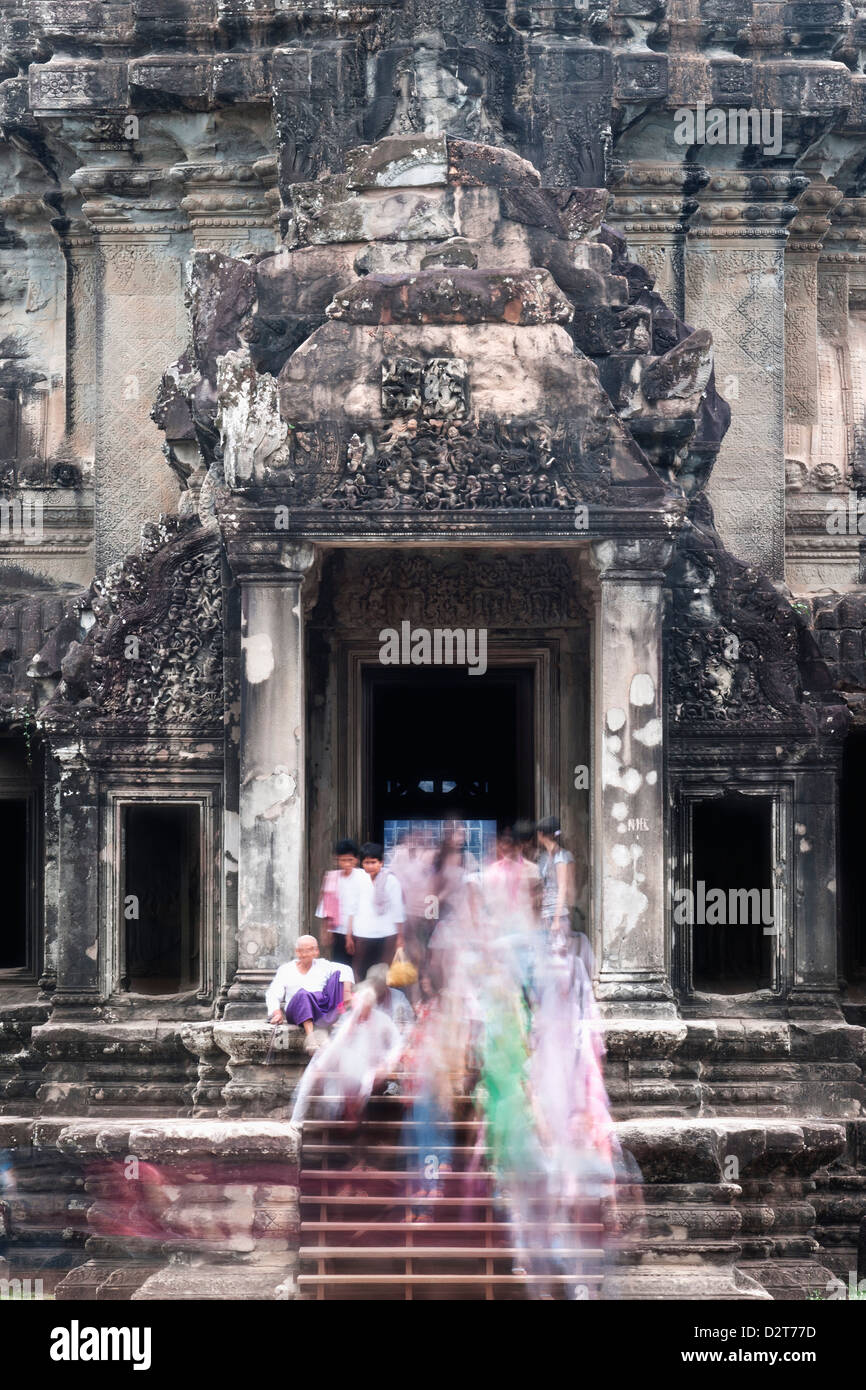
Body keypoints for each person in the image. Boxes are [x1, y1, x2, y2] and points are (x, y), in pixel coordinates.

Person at [266, 935, 354, 1054]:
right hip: (295, 1011)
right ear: (297, 952)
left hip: (318, 1009)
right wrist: (276, 1012)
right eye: (303, 950)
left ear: (316, 951)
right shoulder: (286, 969)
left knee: (337, 976)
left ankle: (336, 1019)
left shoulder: (323, 965)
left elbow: (346, 969)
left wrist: (347, 993)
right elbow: (273, 993)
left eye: (311, 949)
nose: (307, 953)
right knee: (303, 994)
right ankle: (311, 1038)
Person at [350, 842, 405, 978]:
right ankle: (359, 996)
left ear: (381, 862)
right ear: (361, 863)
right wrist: (348, 935)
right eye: (366, 862)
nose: (370, 866)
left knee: (384, 969)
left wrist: (400, 937)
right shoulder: (358, 879)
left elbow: (398, 910)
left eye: (373, 862)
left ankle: (381, 996)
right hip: (362, 932)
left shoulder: (391, 881)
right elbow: (352, 907)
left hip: (387, 933)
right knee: (359, 967)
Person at [315, 838, 367, 969]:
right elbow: (325, 904)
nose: (347, 864)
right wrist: (325, 929)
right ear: (337, 859)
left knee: (358, 966)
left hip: (359, 930)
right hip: (338, 930)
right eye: (343, 860)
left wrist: (350, 935)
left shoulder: (363, 877)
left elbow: (358, 906)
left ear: (356, 860)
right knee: (340, 966)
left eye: (350, 860)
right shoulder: (332, 877)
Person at [536, 816, 575, 943]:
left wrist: (557, 919)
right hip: (546, 912)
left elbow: (563, 886)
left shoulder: (562, 856)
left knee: (559, 954)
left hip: (557, 913)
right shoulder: (544, 857)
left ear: (541, 834)